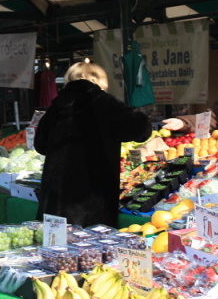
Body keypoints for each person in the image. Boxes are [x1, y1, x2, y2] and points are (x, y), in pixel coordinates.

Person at [34, 62, 150, 227]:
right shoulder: (105, 102)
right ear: (100, 81)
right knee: (90, 247)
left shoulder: (56, 106)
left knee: (57, 247)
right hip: (90, 200)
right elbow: (140, 129)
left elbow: (40, 145)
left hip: (56, 197)